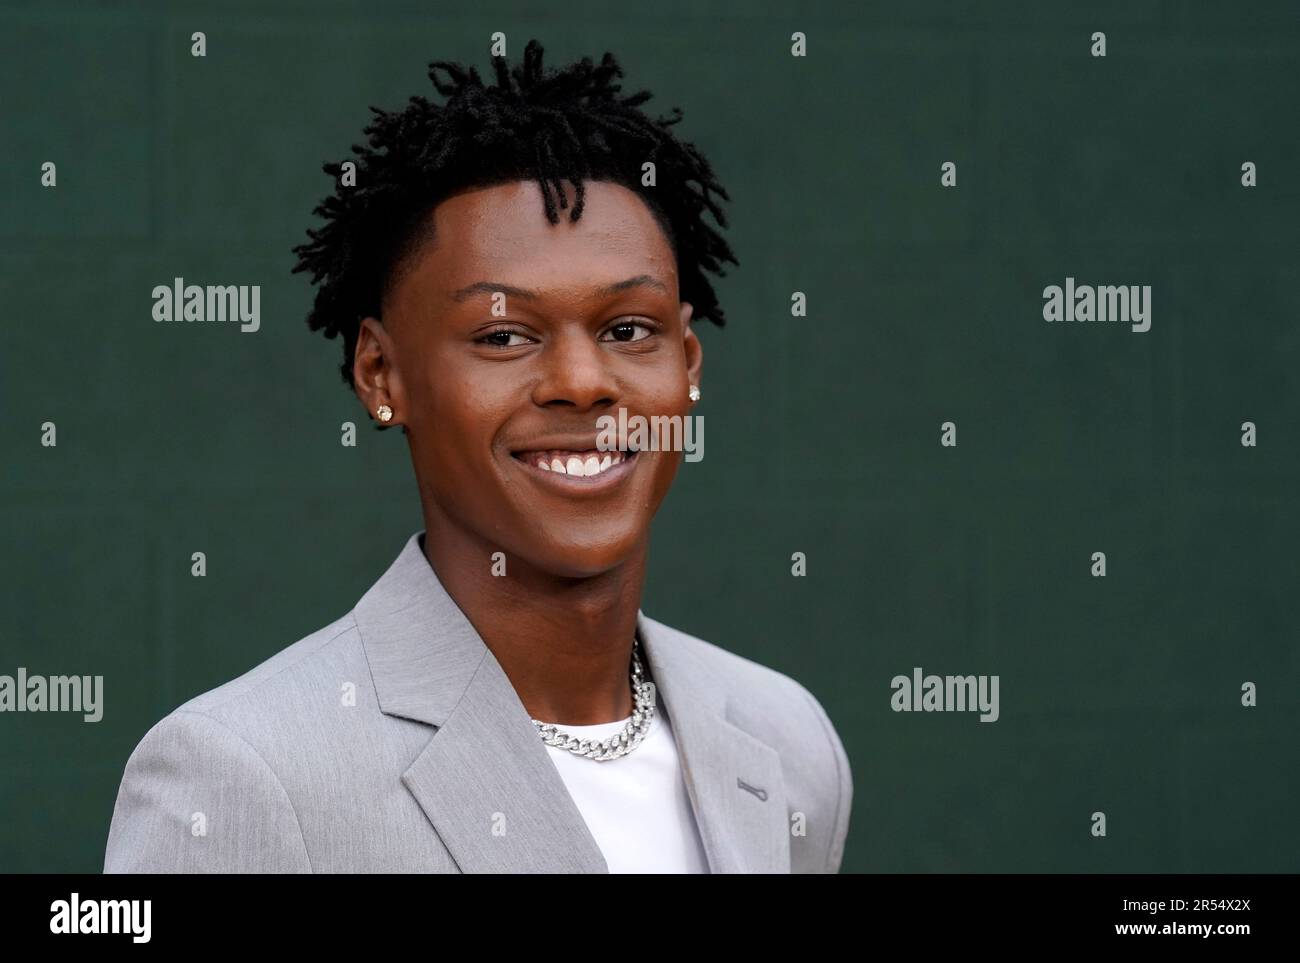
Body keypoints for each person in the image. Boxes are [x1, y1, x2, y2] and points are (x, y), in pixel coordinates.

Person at [104, 39, 852, 874]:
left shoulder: (785, 740)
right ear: (381, 374)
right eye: (503, 335)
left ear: (689, 364)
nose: (581, 382)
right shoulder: (242, 774)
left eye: (628, 330)